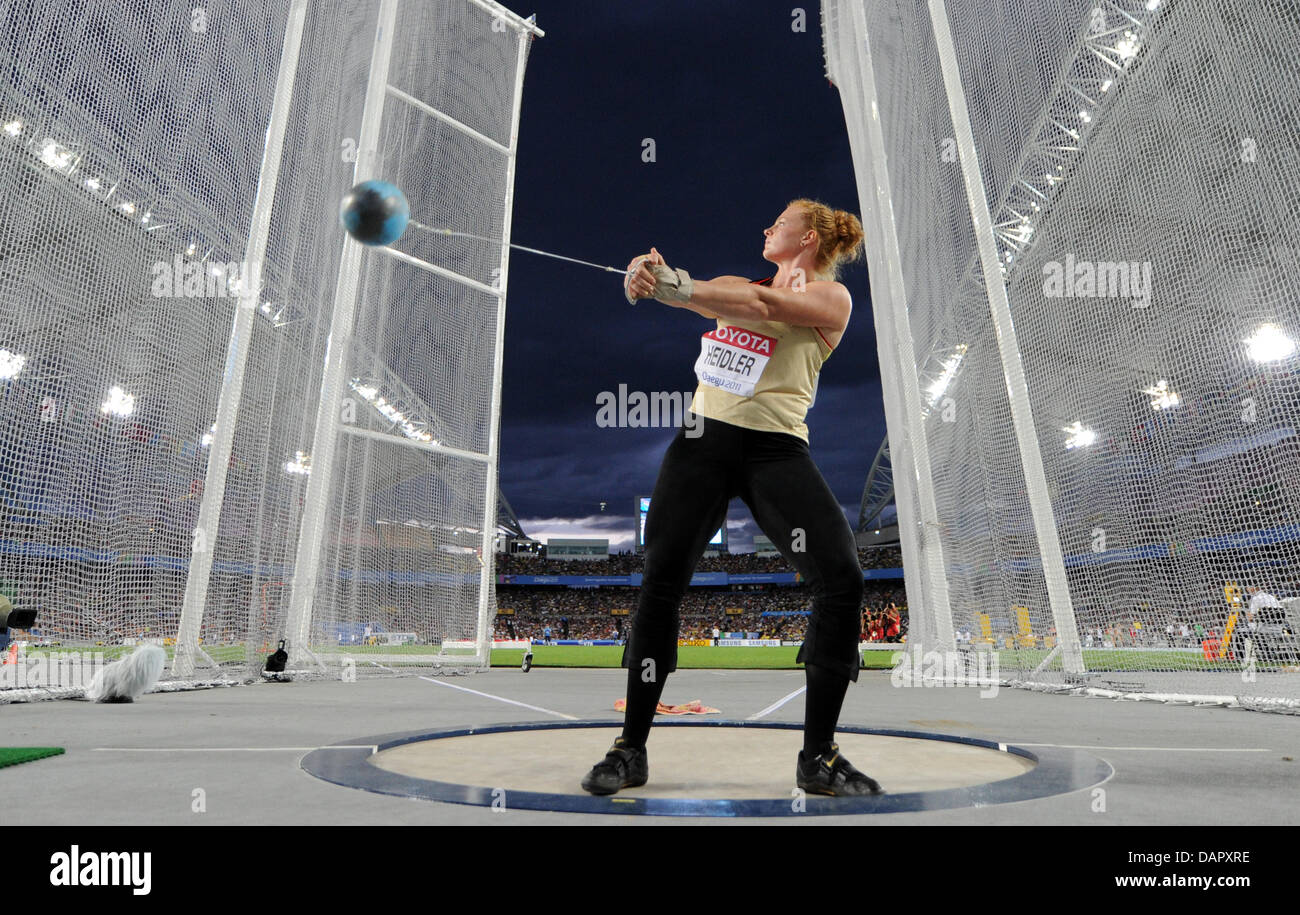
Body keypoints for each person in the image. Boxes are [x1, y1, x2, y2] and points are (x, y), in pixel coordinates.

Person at [581, 199, 880, 797]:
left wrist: (682, 285)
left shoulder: (830, 299)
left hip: (777, 452)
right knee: (660, 584)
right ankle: (630, 749)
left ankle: (817, 757)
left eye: (781, 222)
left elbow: (766, 305)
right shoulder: (734, 285)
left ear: (810, 238)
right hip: (702, 444)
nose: (768, 228)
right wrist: (649, 275)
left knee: (842, 579)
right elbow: (696, 295)